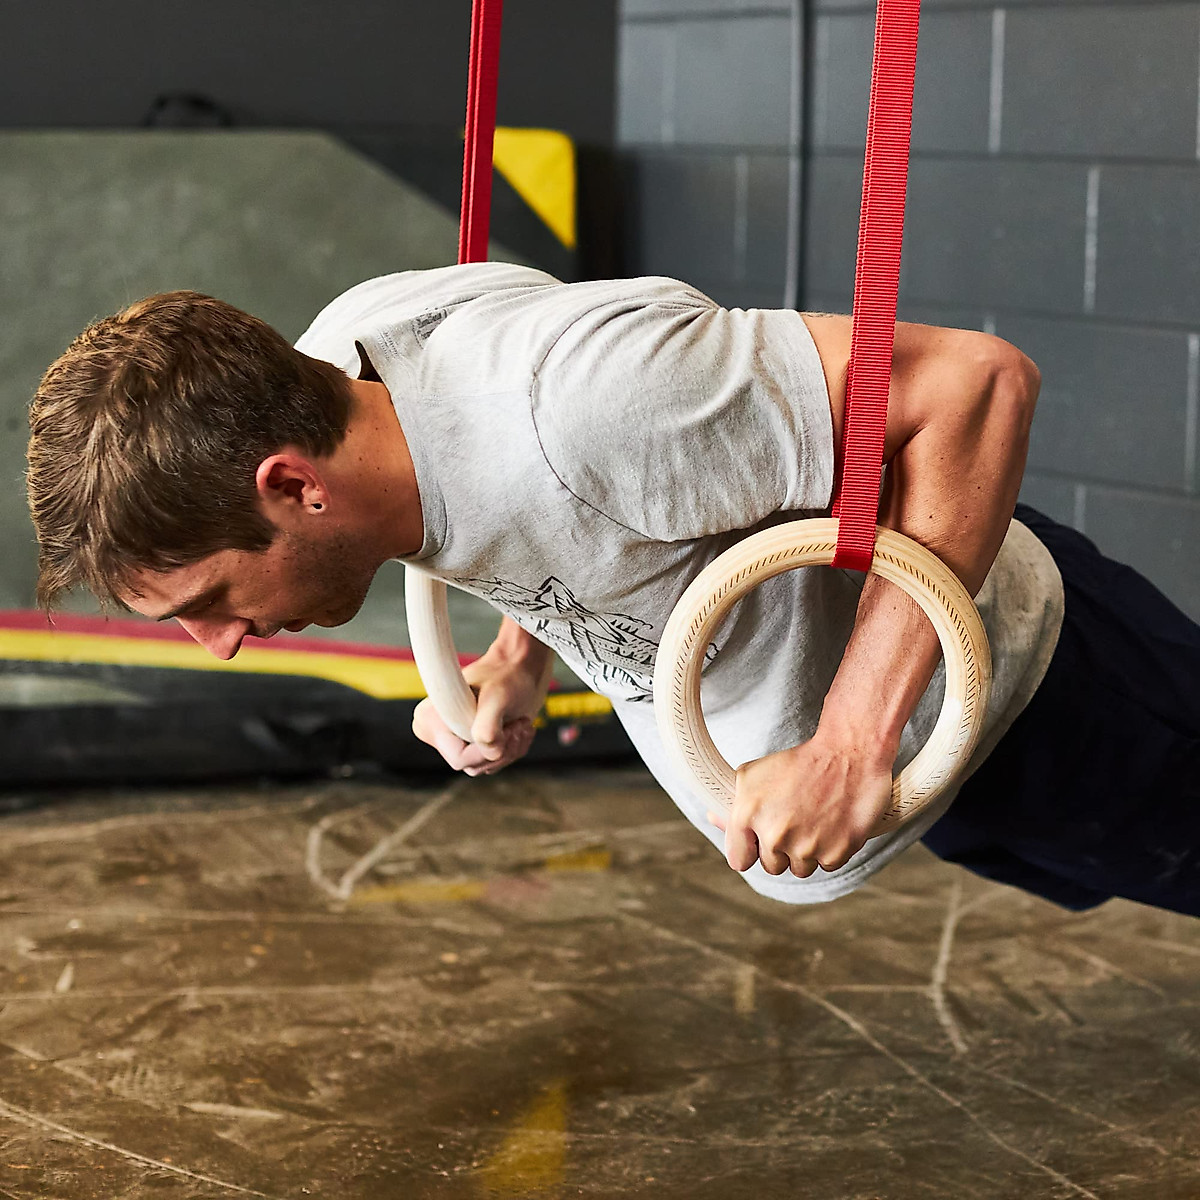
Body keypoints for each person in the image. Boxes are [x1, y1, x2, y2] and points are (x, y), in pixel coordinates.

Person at [26, 264, 1200, 916]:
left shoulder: (587, 402)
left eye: (212, 600)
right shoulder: (353, 345)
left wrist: (848, 741)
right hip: (915, 765)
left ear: (291, 486)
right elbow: (549, 510)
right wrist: (518, 659)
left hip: (1043, 700)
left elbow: (978, 385)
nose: (219, 644)